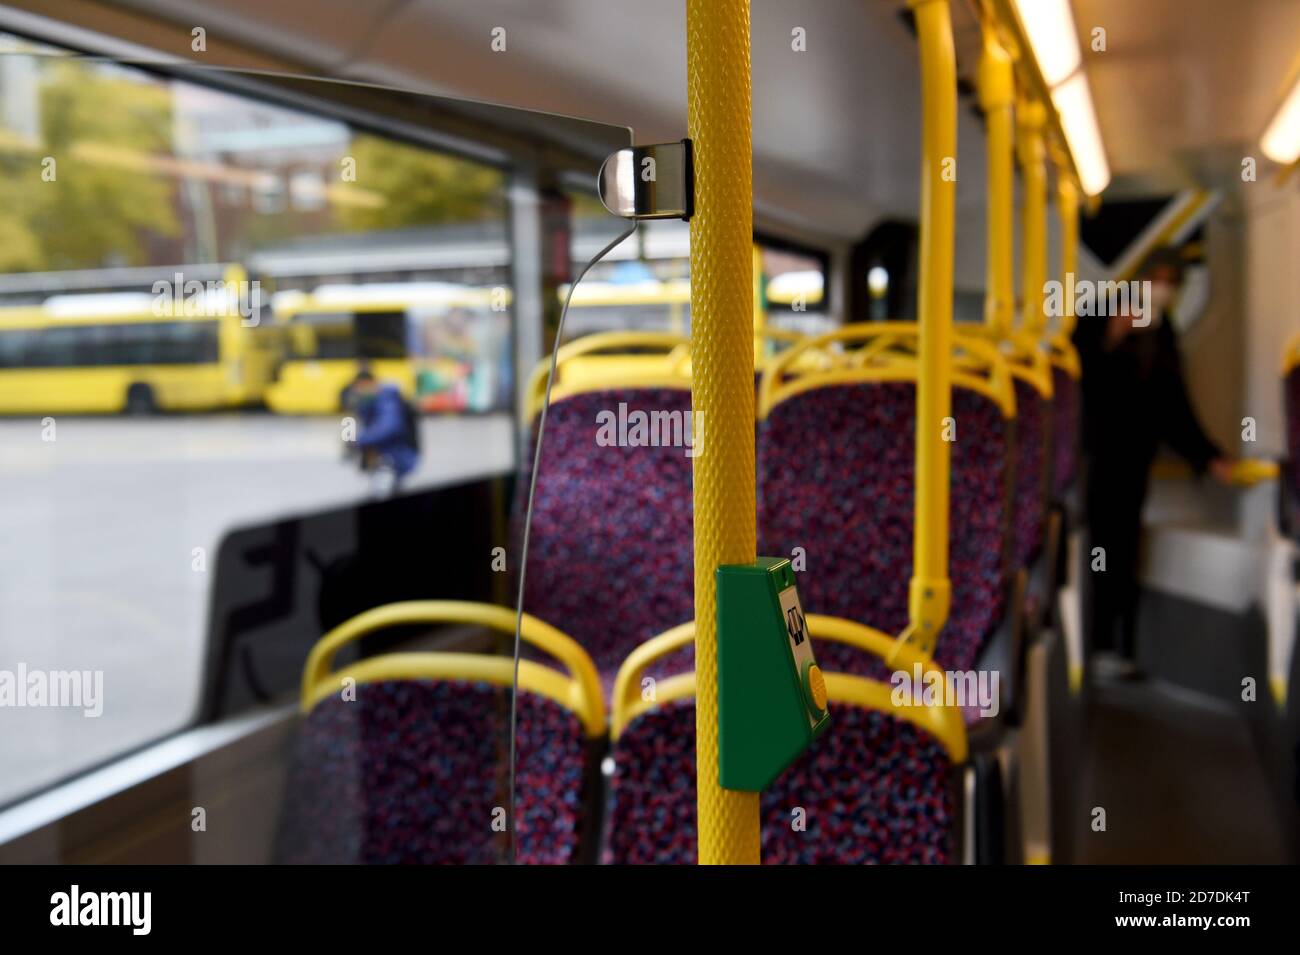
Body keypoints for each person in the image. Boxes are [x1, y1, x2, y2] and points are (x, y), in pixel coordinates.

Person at [1073, 248, 1235, 679]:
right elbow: (1077, 381)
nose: (1163, 289)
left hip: (1130, 464)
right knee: (1095, 551)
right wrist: (1113, 336)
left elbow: (1173, 407)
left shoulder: (1162, 336)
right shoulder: (1098, 316)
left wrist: (1209, 454)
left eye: (1172, 282)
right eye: (1158, 278)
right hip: (1090, 459)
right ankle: (1089, 645)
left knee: (1122, 553)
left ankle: (1112, 648)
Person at [348, 370, 419, 498]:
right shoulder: (370, 402)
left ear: (372, 384)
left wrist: (360, 439)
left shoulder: (388, 399)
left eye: (362, 387)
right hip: (387, 455)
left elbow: (389, 427)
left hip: (397, 455)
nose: (360, 392)